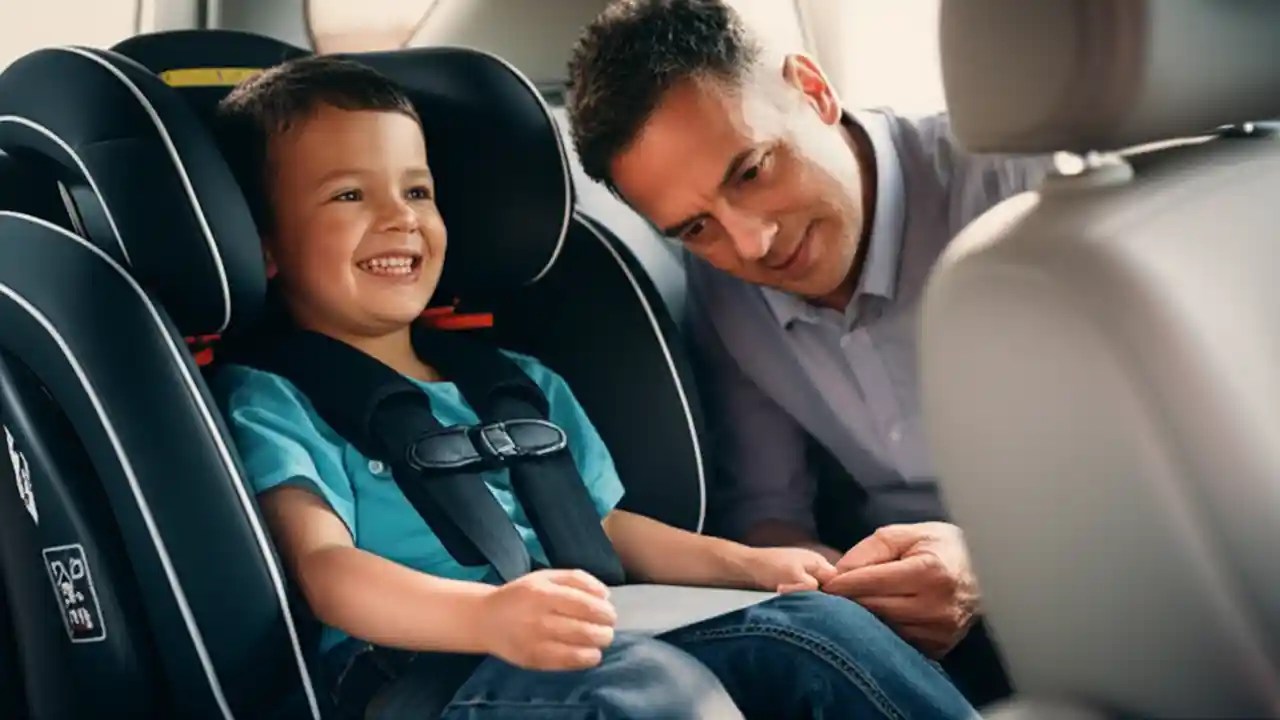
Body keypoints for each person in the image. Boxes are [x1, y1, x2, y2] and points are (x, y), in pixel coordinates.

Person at [207, 55, 975, 720]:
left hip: (593, 633)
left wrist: (756, 567)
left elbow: (605, 529)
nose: (398, 220)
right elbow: (325, 571)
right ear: (267, 245)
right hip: (431, 671)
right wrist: (487, 617)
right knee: (646, 694)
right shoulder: (274, 399)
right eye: (349, 196)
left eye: (416, 192)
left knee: (819, 632)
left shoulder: (515, 382)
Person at [565, 0, 1055, 706]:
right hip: (921, 634)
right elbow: (770, 508)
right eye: (697, 227)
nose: (750, 244)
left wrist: (989, 561)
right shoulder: (722, 290)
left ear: (814, 91)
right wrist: (833, 580)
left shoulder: (1020, 188)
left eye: (752, 171)